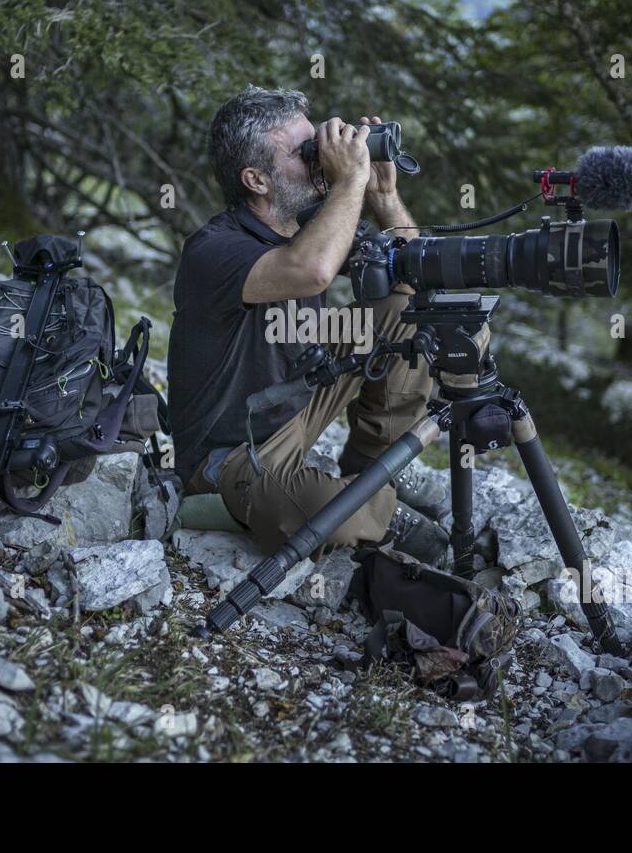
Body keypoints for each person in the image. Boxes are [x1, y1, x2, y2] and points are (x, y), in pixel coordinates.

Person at [168, 86, 449, 563]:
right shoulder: (213, 249)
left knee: (410, 316)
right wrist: (350, 181)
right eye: (305, 153)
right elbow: (310, 270)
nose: (322, 159)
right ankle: (371, 505)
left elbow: (412, 277)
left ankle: (375, 471)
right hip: (235, 447)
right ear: (256, 179)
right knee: (320, 512)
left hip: (299, 396)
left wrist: (382, 194)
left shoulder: (308, 225)